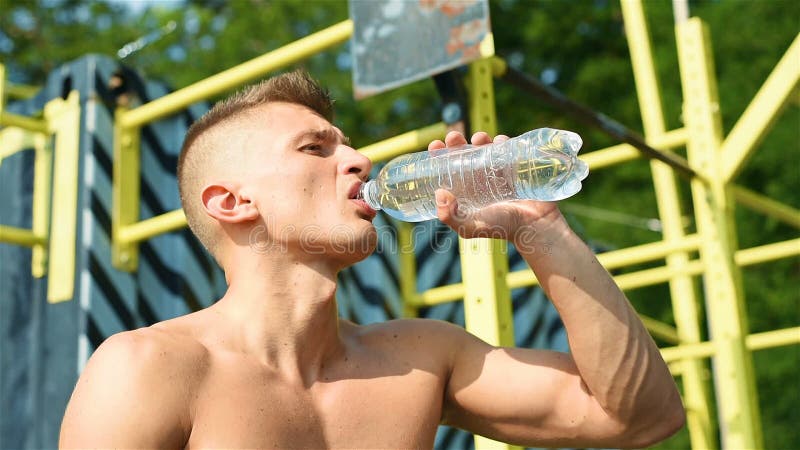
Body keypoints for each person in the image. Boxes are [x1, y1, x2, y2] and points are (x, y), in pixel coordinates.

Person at [59, 70, 684, 449]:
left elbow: (639, 416)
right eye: (315, 148)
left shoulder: (420, 359)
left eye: (351, 145)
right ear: (231, 201)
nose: (358, 160)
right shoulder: (148, 369)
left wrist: (541, 231)